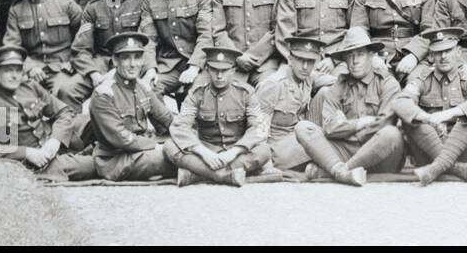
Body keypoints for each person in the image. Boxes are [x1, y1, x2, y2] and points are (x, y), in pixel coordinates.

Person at [295, 27, 406, 185]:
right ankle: (340, 169)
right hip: (347, 149)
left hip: (381, 155)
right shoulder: (339, 85)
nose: (355, 61)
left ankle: (341, 170)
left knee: (391, 134)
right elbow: (328, 127)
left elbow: (383, 125)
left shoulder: (388, 84)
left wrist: (344, 128)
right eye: (350, 55)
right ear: (345, 60)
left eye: (360, 54)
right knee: (303, 127)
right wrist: (359, 123)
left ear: (370, 56)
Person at [0, 44, 95, 180]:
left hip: (52, 142)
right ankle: (96, 156)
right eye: (8, 70)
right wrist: (27, 153)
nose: (14, 76)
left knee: (94, 122)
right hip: (37, 163)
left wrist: (56, 139)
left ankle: (98, 150)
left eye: (18, 70)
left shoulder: (30, 87)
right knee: (94, 164)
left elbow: (64, 112)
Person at [393, 26, 467, 185]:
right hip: (430, 148)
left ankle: (437, 168)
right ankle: (454, 168)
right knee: (411, 118)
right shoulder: (422, 79)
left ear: (458, 51)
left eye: (448, 50)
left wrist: (450, 114)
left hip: (462, 150)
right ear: (431, 55)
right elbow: (401, 101)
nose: (443, 56)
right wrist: (427, 118)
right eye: (438, 52)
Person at [165, 46, 266, 186]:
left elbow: (258, 128)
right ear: (207, 69)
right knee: (169, 146)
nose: (219, 76)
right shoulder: (197, 93)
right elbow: (180, 126)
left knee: (264, 150)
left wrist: (234, 152)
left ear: (233, 70)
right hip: (206, 148)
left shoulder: (246, 93)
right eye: (215, 70)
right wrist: (203, 153)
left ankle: (197, 173)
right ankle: (224, 175)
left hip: (235, 150)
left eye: (224, 71)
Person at [2, 0, 86, 108]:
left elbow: (85, 34)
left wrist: (74, 59)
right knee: (16, 98)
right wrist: (29, 67)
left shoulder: (64, 3)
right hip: (34, 70)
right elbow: (11, 47)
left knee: (63, 96)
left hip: (63, 68)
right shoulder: (17, 10)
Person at [88, 31, 176, 181]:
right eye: (126, 58)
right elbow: (123, 139)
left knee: (185, 148)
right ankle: (219, 174)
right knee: (168, 156)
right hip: (115, 160)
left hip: (139, 152)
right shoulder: (104, 93)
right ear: (115, 61)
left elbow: (166, 118)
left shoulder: (141, 87)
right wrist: (157, 146)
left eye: (137, 57)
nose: (133, 64)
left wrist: (190, 137)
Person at [139, 0, 213, 100]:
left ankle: (186, 125)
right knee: (148, 90)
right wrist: (150, 69)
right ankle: (168, 125)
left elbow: (206, 36)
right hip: (168, 65)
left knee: (198, 93)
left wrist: (194, 66)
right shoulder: (152, 1)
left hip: (197, 63)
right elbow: (148, 41)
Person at [252, 35, 326, 172]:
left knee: (326, 92)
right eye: (300, 60)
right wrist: (266, 165)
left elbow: (337, 81)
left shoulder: (308, 77)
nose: (305, 66)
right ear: (290, 59)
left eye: (310, 61)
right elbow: (257, 129)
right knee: (327, 143)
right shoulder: (273, 85)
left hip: (298, 138)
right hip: (277, 148)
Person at [72, 0, 146, 81]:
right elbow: (81, 48)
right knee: (68, 90)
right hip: (102, 64)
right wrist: (93, 73)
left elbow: (148, 43)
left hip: (133, 63)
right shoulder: (93, 7)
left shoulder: (141, 4)